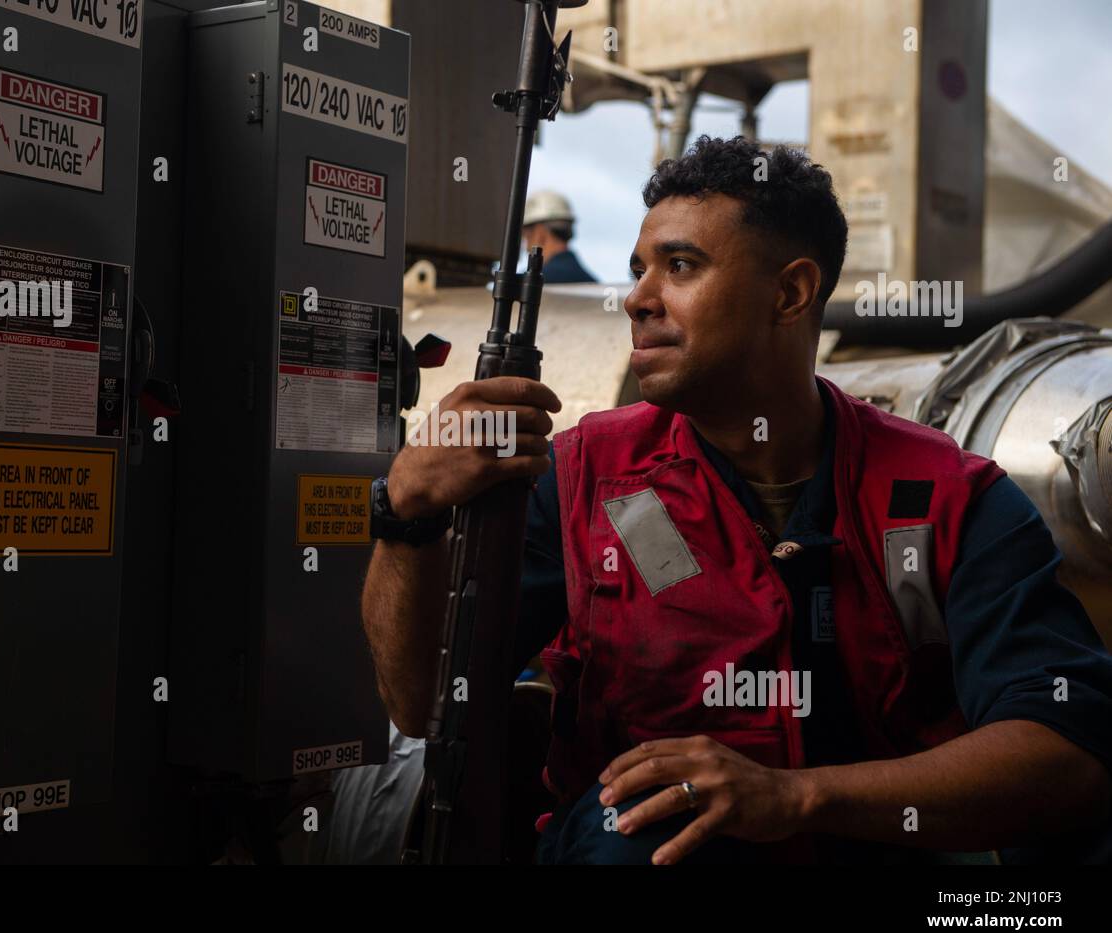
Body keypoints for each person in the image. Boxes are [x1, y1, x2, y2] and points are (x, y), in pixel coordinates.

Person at [361, 136, 1112, 864]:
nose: (637, 299)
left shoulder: (947, 496)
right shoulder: (583, 477)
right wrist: (406, 515)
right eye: (637, 269)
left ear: (790, 292)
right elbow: (424, 700)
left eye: (679, 266)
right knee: (640, 832)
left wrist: (795, 796)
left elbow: (1067, 750)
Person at [521, 190, 598, 284]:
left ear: (540, 233)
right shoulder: (592, 283)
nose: (526, 246)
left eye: (526, 236)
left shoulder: (530, 283)